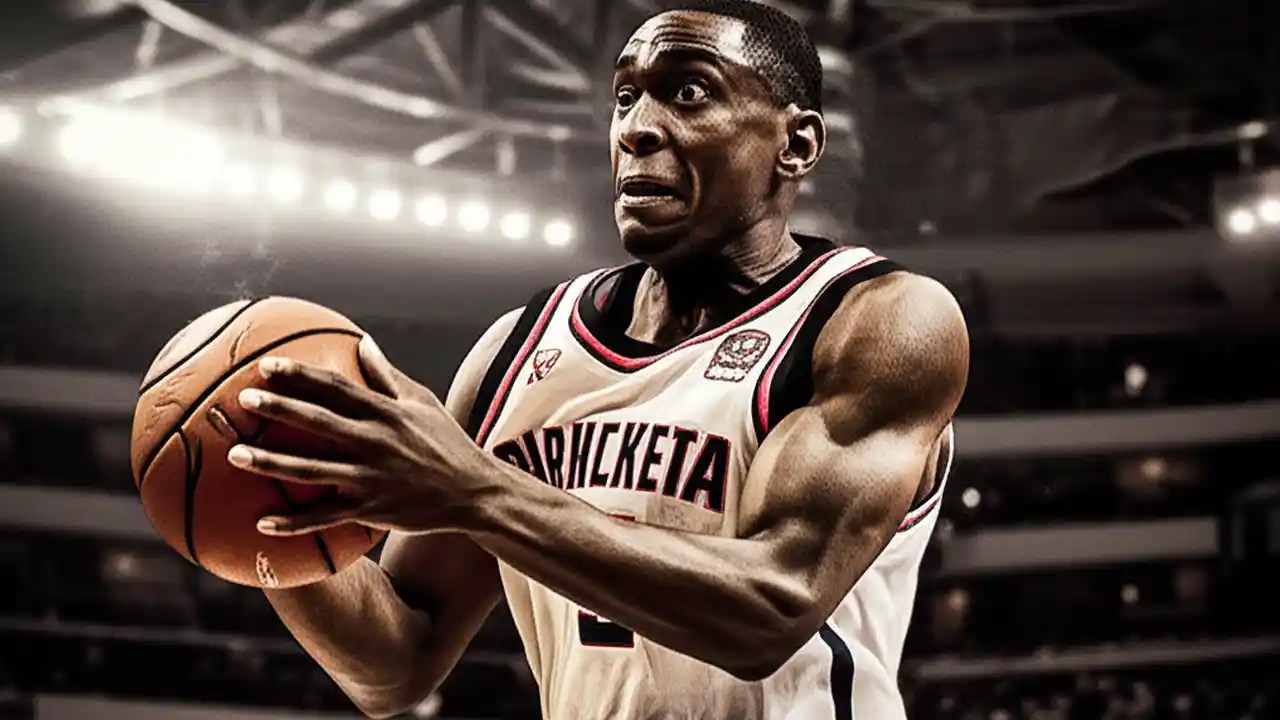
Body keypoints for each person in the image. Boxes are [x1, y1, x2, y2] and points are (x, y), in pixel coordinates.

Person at [227, 0, 969, 717]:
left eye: (688, 91)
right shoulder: (519, 350)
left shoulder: (877, 320)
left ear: (797, 144)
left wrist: (474, 490)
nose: (638, 128)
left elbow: (772, 607)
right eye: (624, 97)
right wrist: (257, 517)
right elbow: (395, 666)